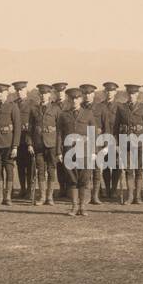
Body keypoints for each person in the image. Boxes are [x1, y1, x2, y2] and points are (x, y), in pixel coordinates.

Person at [57, 88, 95, 216]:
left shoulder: (88, 114)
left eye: (77, 98)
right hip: (69, 151)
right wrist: (59, 152)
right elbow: (59, 134)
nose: (74, 100)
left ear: (80, 99)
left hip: (84, 151)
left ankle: (83, 207)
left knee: (84, 179)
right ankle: (74, 206)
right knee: (72, 179)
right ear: (68, 99)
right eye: (72, 98)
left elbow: (93, 134)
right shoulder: (63, 115)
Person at [114, 83, 143, 205]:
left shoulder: (142, 108)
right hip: (125, 144)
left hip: (139, 143)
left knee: (139, 170)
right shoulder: (121, 108)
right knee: (128, 170)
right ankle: (130, 196)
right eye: (129, 93)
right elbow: (116, 127)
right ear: (126, 94)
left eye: (134, 94)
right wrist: (116, 143)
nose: (132, 96)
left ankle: (138, 197)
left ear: (137, 94)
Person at [28, 83, 61, 206]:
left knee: (51, 170)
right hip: (38, 145)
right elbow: (30, 129)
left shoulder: (56, 109)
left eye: (46, 93)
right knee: (40, 170)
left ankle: (49, 197)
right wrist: (30, 144)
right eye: (41, 93)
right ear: (39, 95)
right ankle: (42, 197)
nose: (43, 96)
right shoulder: (34, 109)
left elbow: (59, 130)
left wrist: (58, 149)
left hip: (51, 144)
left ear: (50, 95)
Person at [12, 80, 35, 200]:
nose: (19, 92)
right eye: (17, 90)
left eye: (21, 89)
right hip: (17, 140)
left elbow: (34, 122)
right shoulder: (13, 104)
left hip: (28, 139)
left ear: (26, 90)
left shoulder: (32, 104)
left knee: (30, 166)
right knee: (20, 165)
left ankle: (31, 190)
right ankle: (23, 188)